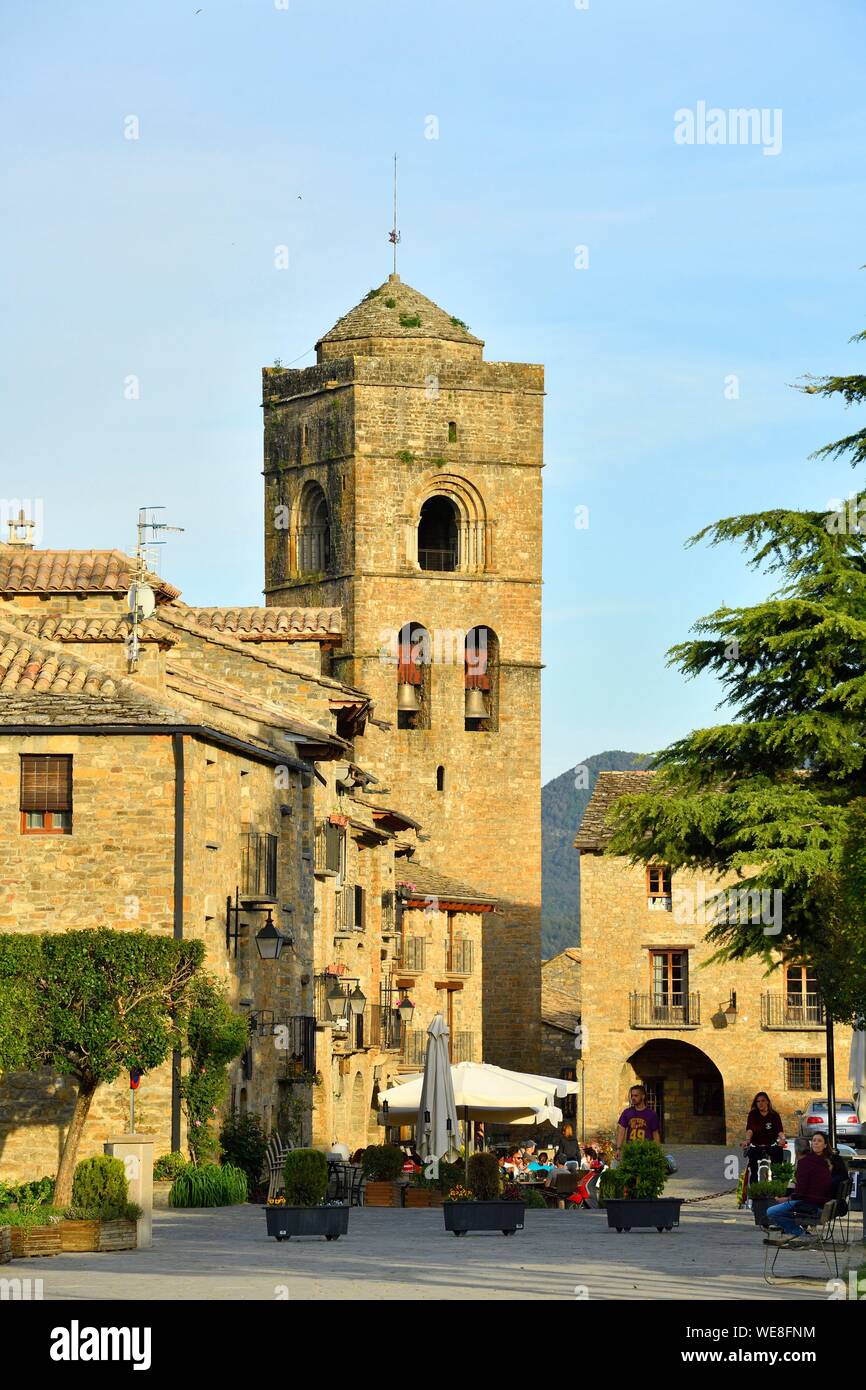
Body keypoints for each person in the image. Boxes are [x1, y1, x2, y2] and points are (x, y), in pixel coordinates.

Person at [765, 1132, 840, 1245]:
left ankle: (800, 1234)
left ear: (796, 1151)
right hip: (824, 1205)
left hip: (813, 1206)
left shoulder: (805, 1162)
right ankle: (796, 1234)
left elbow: (801, 1192)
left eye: (818, 1141)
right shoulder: (822, 1161)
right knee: (785, 1211)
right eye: (814, 1140)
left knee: (771, 1212)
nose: (815, 1143)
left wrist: (786, 1199)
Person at [743, 1091, 787, 1181]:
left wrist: (783, 1139)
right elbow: (750, 1129)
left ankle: (776, 1184)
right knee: (753, 1169)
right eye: (758, 1101)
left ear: (767, 1102)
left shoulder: (774, 1115)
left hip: (771, 1144)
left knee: (778, 1157)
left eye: (763, 1101)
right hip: (756, 1145)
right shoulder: (753, 1114)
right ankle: (754, 1190)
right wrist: (747, 1140)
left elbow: (780, 1130)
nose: (760, 1103)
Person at [615, 1085, 662, 1157]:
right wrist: (618, 1149)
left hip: (646, 1152)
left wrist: (658, 1152)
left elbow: (655, 1134)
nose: (633, 1098)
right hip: (630, 1151)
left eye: (636, 1095)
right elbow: (621, 1130)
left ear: (643, 1096)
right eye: (632, 1096)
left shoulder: (651, 1114)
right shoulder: (627, 1112)